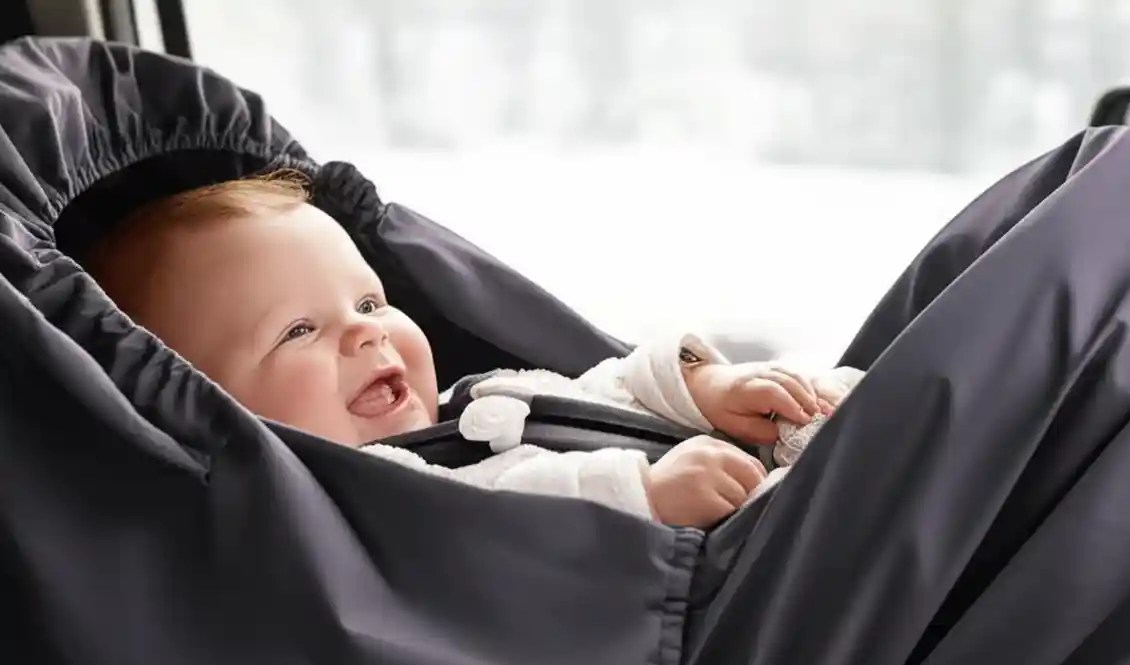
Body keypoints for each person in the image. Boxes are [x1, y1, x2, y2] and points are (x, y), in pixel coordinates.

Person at [89, 171, 862, 529]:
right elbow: (488, 530)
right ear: (216, 413)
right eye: (299, 330)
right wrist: (645, 497)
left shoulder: (474, 403)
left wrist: (699, 387)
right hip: (733, 576)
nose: (365, 331)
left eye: (368, 302)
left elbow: (594, 389)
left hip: (759, 461)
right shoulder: (359, 503)